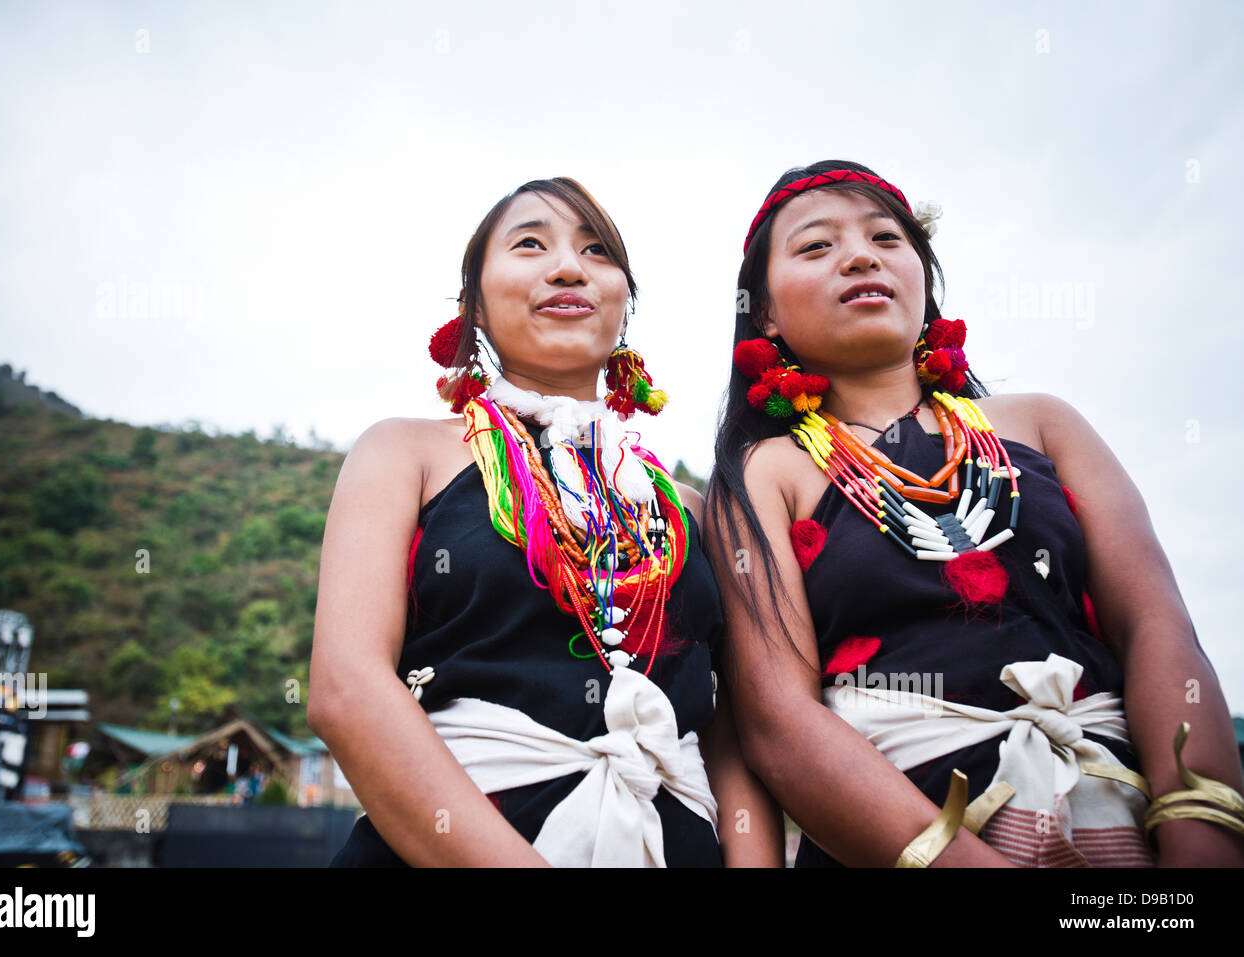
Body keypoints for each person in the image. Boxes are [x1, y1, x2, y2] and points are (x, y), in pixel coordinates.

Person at [705, 160, 1244, 867]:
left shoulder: (1043, 424)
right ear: (764, 312)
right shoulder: (762, 474)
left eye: (887, 238)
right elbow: (778, 721)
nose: (861, 255)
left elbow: (1157, 627)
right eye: (817, 246)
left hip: (1125, 825)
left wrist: (1199, 837)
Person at [309, 176, 784, 867]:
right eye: (530, 243)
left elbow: (731, 737)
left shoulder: (689, 509)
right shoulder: (402, 454)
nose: (568, 266)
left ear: (623, 303)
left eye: (596, 252)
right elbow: (347, 689)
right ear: (472, 303)